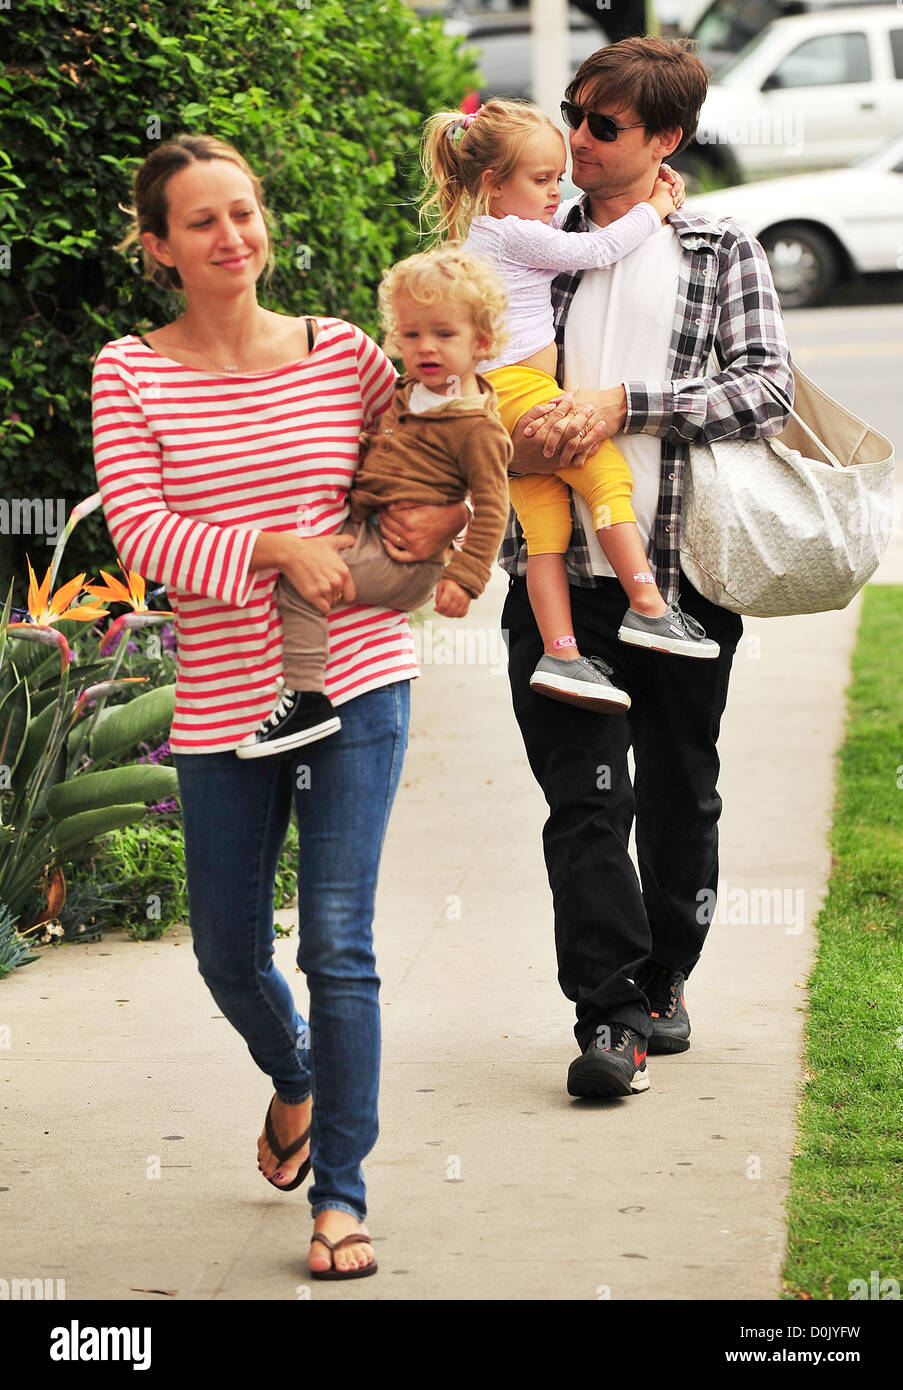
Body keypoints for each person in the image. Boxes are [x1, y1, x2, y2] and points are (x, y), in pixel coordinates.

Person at [91, 134, 470, 1278]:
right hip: (223, 703)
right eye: (203, 222)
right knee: (223, 951)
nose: (234, 238)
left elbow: (420, 460)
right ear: (158, 246)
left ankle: (342, 1200)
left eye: (245, 213)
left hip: (353, 678)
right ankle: (294, 1076)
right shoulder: (131, 370)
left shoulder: (344, 351)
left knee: (339, 944)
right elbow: (142, 534)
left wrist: (440, 526)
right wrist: (270, 546)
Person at [499, 37, 795, 1098]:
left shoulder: (718, 244)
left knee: (680, 791)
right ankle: (609, 1012)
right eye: (574, 112)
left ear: (664, 139)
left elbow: (765, 388)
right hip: (553, 574)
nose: (577, 135)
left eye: (604, 123)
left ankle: (667, 974)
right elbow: (458, 360)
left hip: (679, 581)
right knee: (584, 802)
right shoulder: (527, 239)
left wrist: (628, 407)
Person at [419, 98, 719, 718]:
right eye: (541, 180)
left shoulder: (490, 231)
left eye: (558, 179)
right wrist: (655, 210)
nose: (556, 191)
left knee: (545, 531)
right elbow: (601, 250)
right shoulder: (516, 234)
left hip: (493, 399)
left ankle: (560, 652)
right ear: (492, 184)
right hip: (518, 389)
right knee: (605, 474)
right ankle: (650, 609)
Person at [236, 245, 513, 759]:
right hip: (373, 532)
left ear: (483, 341)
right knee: (309, 564)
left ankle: (306, 698)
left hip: (409, 563)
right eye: (411, 335)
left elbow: (495, 505)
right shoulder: (407, 390)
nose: (425, 348)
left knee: (304, 578)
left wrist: (465, 576)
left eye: (444, 334)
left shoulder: (476, 425)